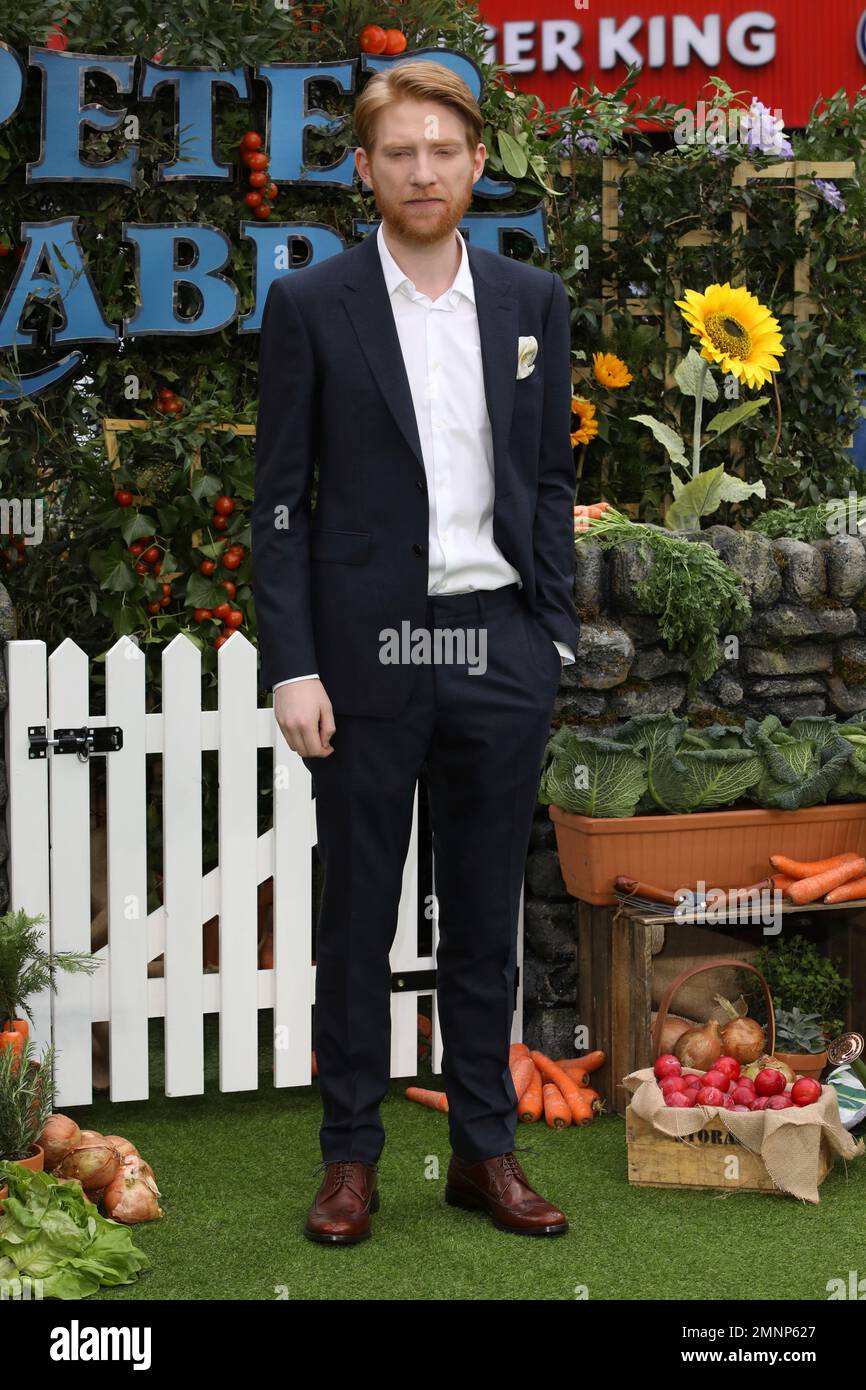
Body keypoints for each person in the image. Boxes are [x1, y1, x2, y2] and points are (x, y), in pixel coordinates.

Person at [252, 59, 580, 1244]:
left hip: (494, 640)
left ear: (476, 160)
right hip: (366, 652)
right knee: (357, 918)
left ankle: (482, 1152)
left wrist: (549, 631)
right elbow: (279, 501)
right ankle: (350, 1158)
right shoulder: (312, 305)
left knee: (485, 914)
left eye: (443, 148)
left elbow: (548, 478)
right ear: (364, 168)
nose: (423, 170)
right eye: (399, 152)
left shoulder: (528, 300)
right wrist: (292, 664)